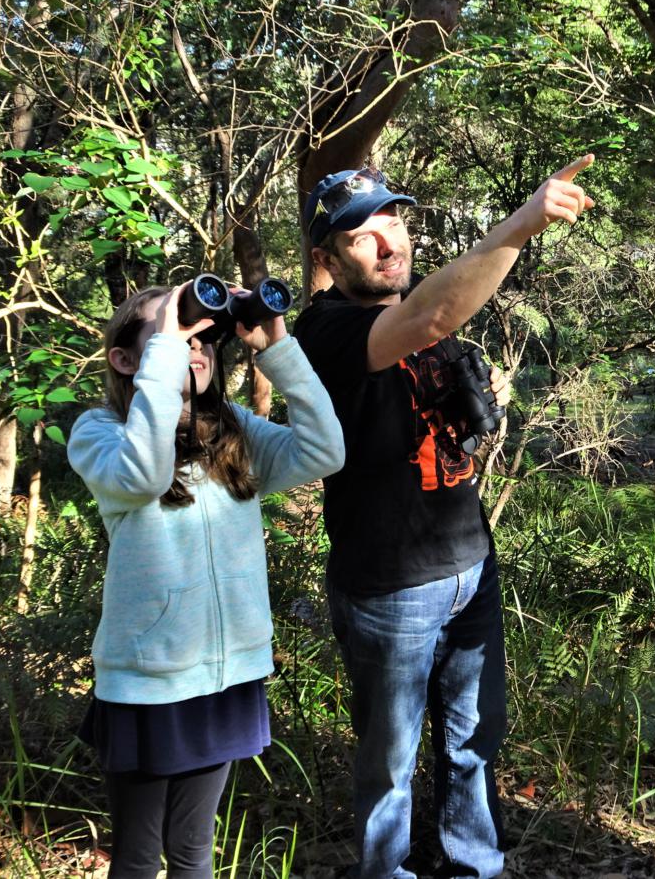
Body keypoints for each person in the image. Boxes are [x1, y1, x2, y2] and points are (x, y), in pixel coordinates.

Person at [292, 156, 595, 878]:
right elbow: (430, 314)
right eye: (364, 235)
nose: (390, 242)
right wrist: (523, 222)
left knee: (473, 745)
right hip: (390, 585)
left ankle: (473, 868)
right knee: (388, 765)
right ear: (326, 257)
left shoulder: (415, 309)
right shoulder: (325, 331)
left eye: (395, 222)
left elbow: (434, 389)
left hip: (469, 566)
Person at [68, 282, 344, 877]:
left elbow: (326, 452)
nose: (193, 350)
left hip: (228, 673)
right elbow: (144, 476)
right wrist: (168, 352)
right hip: (150, 680)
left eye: (201, 340)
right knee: (139, 856)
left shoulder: (232, 429)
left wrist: (277, 347)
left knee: (194, 850)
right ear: (125, 359)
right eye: (173, 335)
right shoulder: (99, 433)